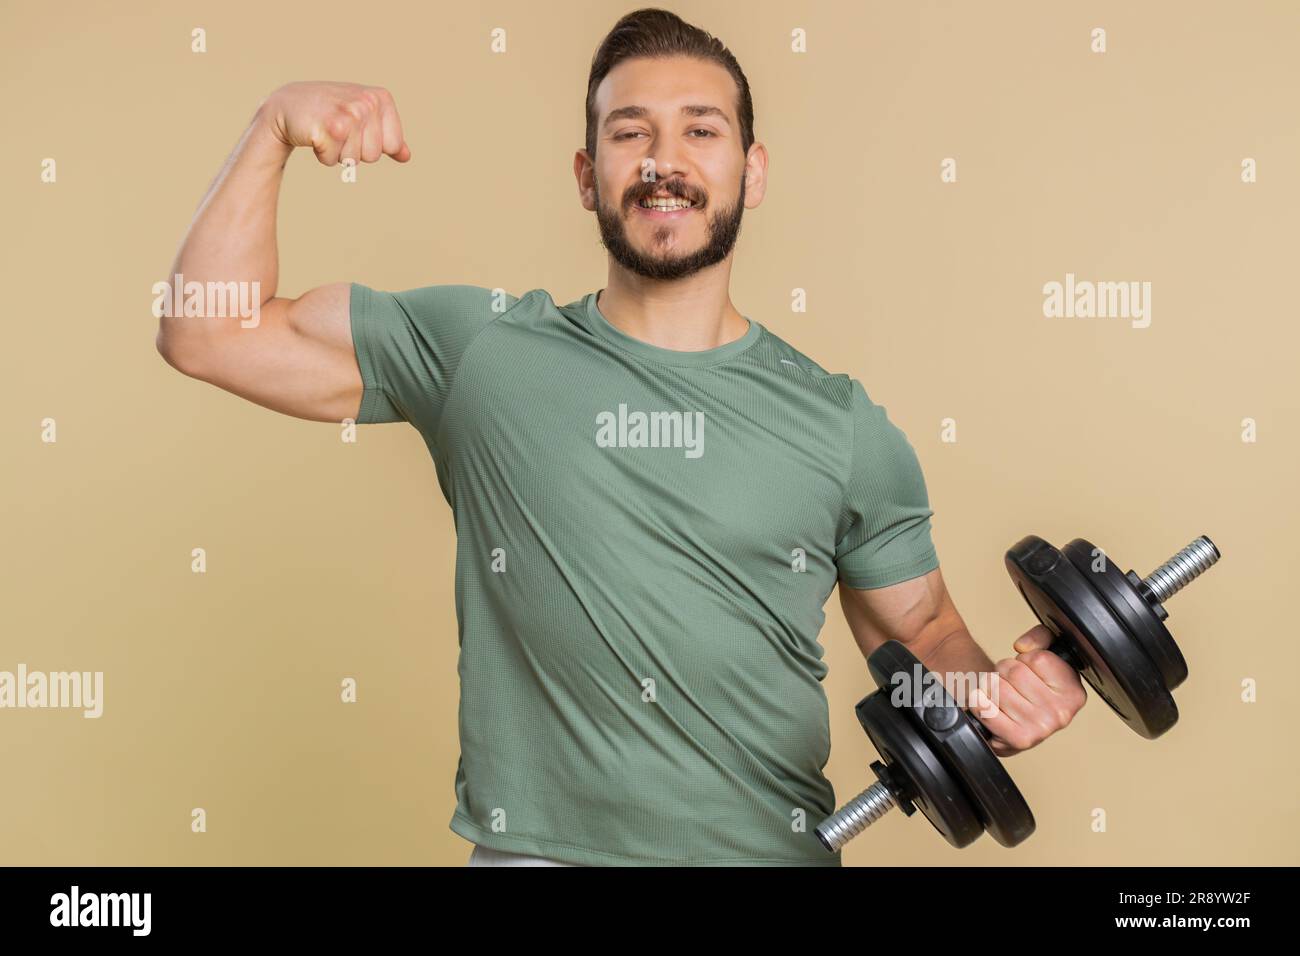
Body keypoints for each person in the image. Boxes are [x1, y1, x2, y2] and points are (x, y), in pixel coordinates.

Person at [155, 7, 1085, 867]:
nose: (662, 159)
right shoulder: (481, 353)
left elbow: (920, 637)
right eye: (629, 132)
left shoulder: (839, 423)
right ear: (586, 173)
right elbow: (207, 333)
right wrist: (270, 129)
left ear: (751, 172)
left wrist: (994, 699)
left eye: (700, 130)